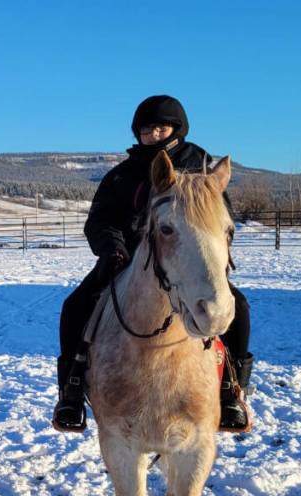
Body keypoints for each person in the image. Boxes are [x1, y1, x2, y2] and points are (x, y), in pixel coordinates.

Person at [53, 94, 253, 432]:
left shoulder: (201, 167)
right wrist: (114, 249)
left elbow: (221, 219)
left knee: (240, 307)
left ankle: (232, 390)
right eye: (147, 130)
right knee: (75, 306)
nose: (154, 135)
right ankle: (71, 389)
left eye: (161, 128)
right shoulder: (122, 175)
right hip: (126, 259)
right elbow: (99, 220)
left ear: (177, 129)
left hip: (186, 260)